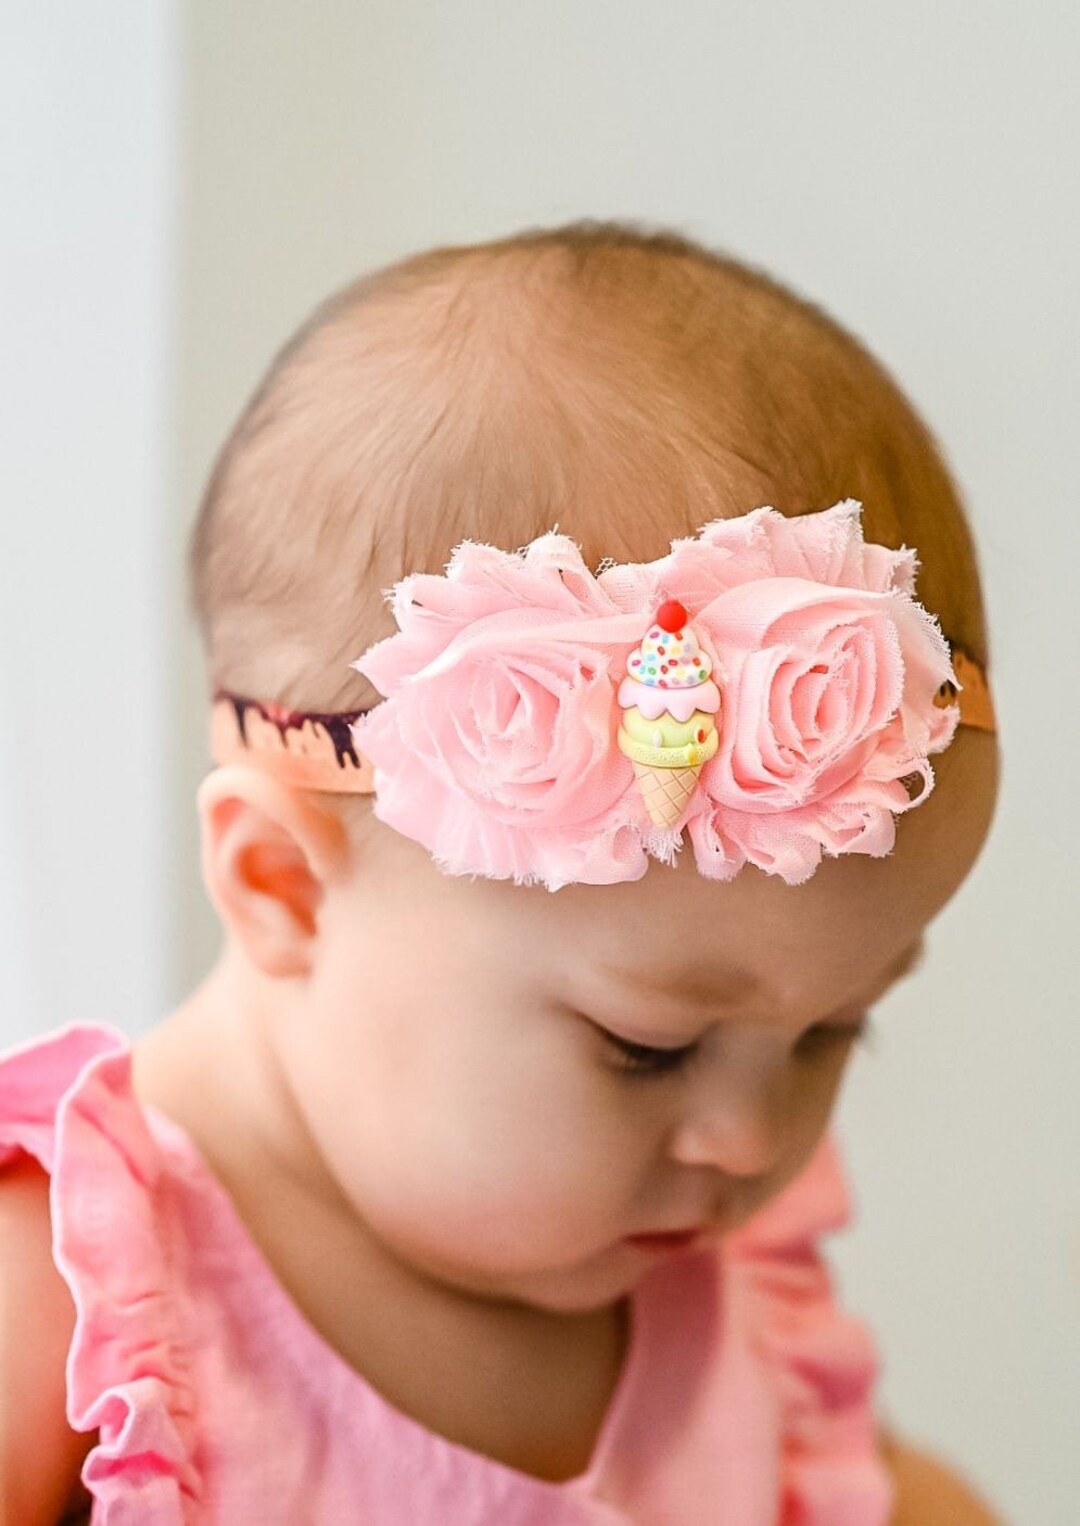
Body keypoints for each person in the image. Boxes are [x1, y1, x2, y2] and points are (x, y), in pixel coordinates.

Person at [0, 223, 1004, 1524]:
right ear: (280, 885)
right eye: (648, 1045)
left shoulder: (733, 1309)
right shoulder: (73, 1303)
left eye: (833, 1029)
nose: (750, 1139)